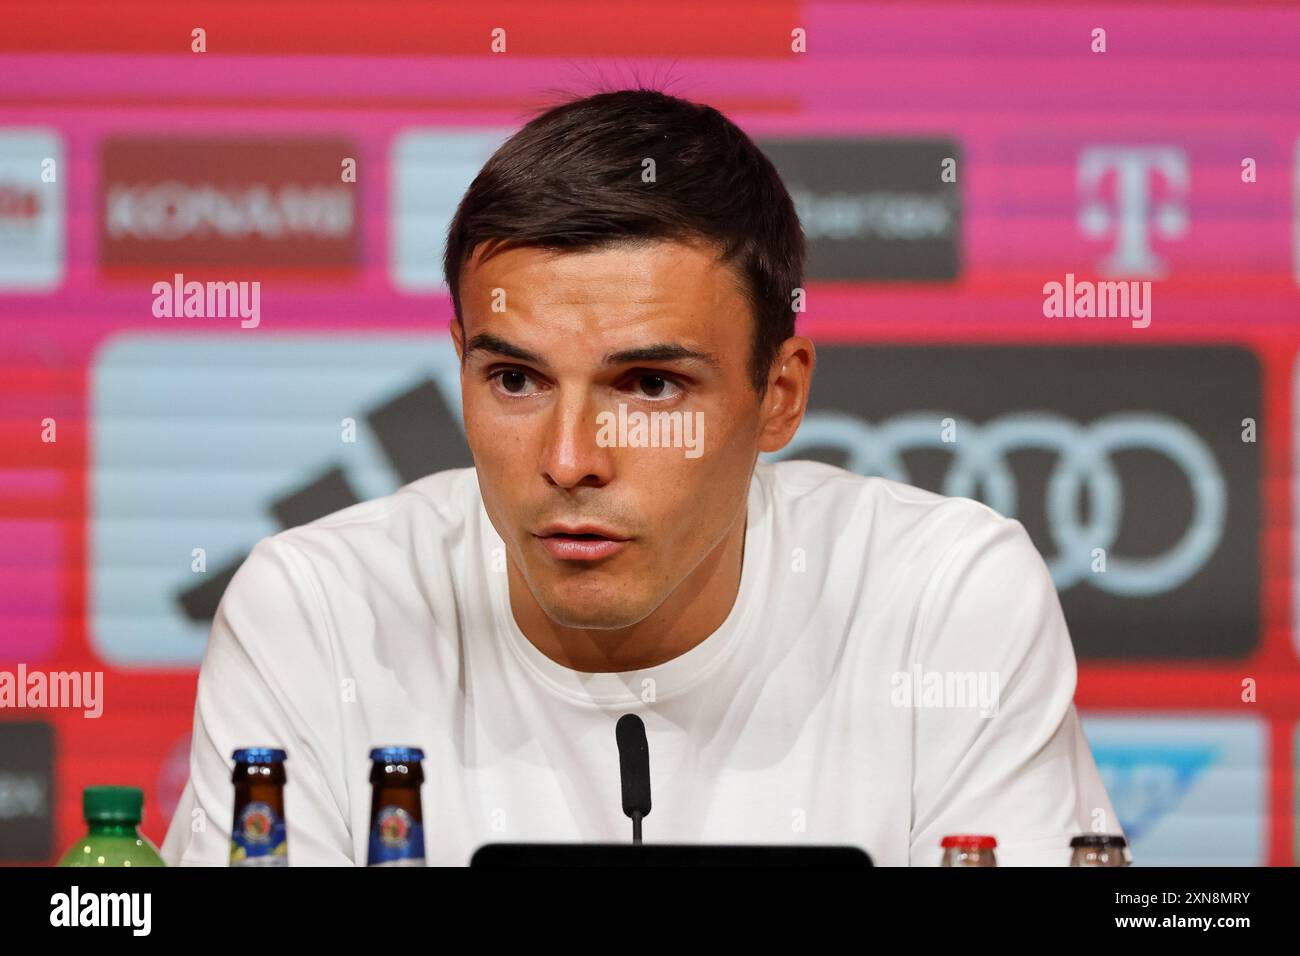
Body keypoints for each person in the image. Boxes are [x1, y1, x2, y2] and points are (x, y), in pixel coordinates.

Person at [161, 88, 1120, 866]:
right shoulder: (315, 609)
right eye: (516, 379)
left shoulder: (945, 596)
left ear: (778, 395)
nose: (570, 459)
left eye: (650, 384)